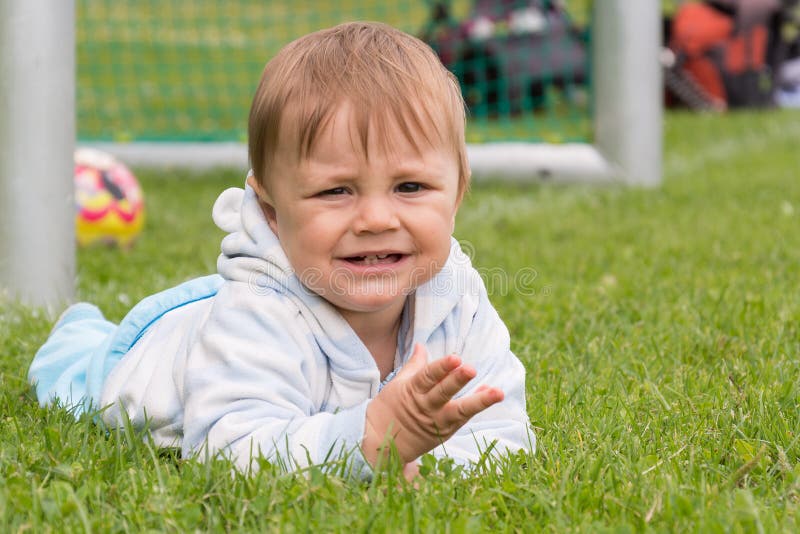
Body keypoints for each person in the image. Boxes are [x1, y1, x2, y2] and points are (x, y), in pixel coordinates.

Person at [28, 22, 534, 480]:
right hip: (147, 351)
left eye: (410, 186)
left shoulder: (458, 299)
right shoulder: (257, 314)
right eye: (336, 191)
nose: (378, 219)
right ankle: (79, 332)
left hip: (229, 310)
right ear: (270, 210)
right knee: (73, 370)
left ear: (458, 192)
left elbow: (504, 432)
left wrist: (418, 462)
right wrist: (367, 442)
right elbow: (229, 450)